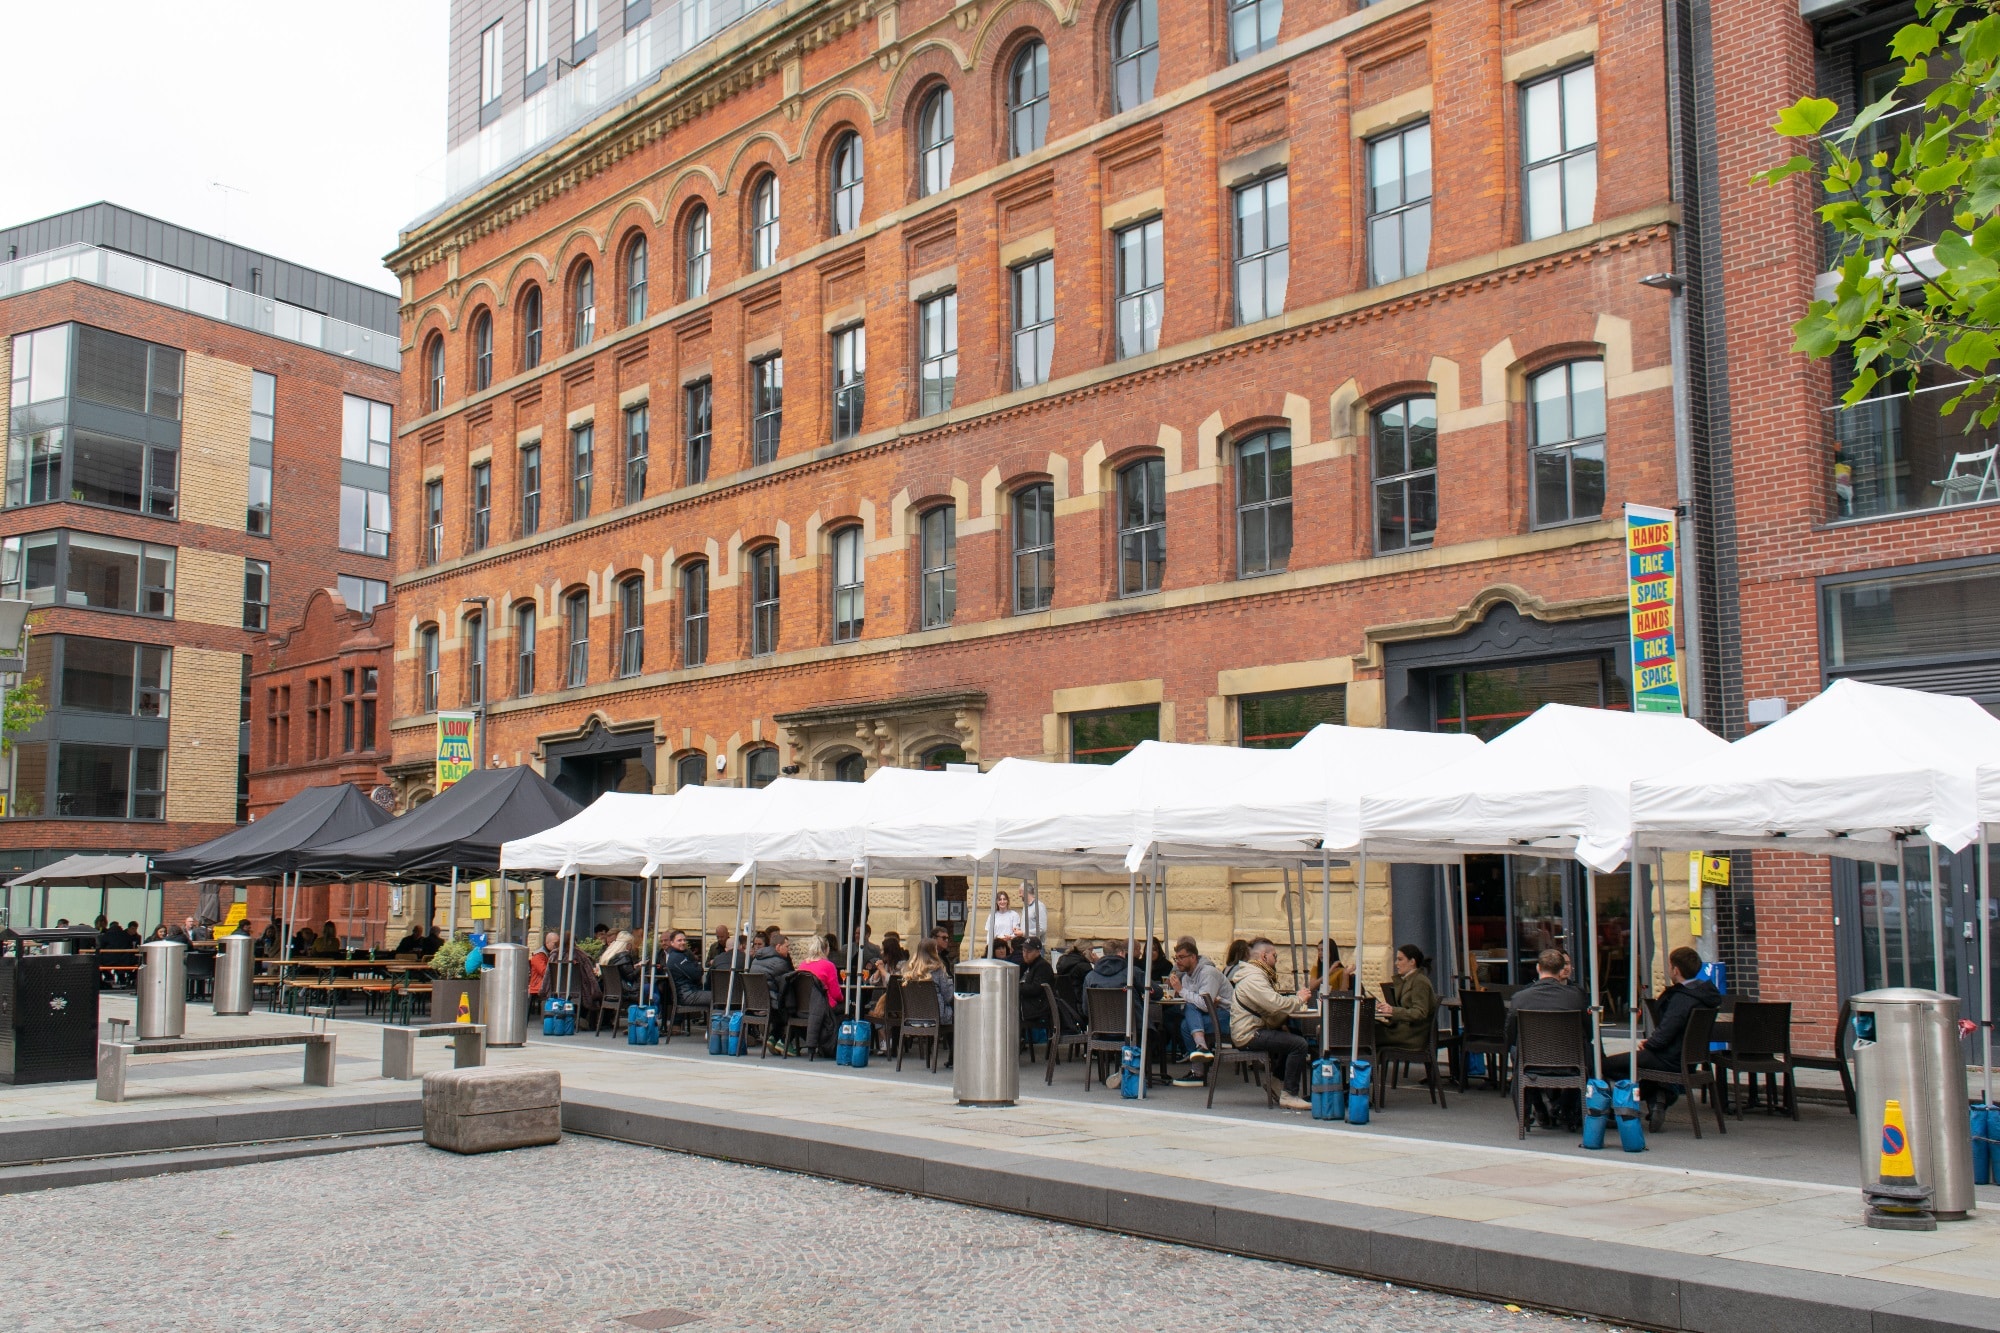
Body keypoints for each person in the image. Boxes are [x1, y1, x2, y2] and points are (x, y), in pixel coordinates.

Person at [1632, 947, 1722, 1130]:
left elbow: (1666, 1032)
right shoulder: (1705, 995)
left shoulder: (1681, 998)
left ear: (1676, 970)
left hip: (1669, 1058)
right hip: (1690, 1058)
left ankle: (1610, 1109)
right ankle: (1659, 1098)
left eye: (1669, 966)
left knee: (1610, 1065)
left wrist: (1650, 1044)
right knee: (1641, 1063)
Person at [1507, 948, 1590, 1129]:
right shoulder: (1575, 997)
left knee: (1517, 1056)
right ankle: (1566, 1108)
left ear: (1538, 968)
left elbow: (1510, 1035)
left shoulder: (1520, 999)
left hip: (1532, 1063)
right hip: (1570, 1064)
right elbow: (1588, 1031)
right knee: (1587, 1055)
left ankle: (1535, 1109)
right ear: (1561, 971)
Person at [1226, 938, 1313, 1110]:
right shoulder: (1254, 978)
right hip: (1249, 1034)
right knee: (1299, 1044)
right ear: (1264, 956)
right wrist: (1298, 999)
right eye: (1274, 955)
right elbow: (1274, 1004)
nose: (1277, 959)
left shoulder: (1256, 974)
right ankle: (1289, 1095)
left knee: (1296, 1036)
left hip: (1252, 1030)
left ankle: (1276, 1083)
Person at [1166, 936, 1229, 1085]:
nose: (1177, 962)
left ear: (1193, 957)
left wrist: (1181, 991)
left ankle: (1199, 1070)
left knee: (1187, 1024)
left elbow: (1205, 1005)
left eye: (1181, 957)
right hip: (1208, 1015)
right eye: (1176, 958)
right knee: (1185, 1022)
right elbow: (1193, 1004)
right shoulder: (1187, 978)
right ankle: (1202, 1051)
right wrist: (1181, 993)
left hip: (1228, 1015)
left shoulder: (1208, 973)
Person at [1373, 944, 1440, 1060]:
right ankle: (1368, 1071)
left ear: (1412, 961)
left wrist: (1393, 1011)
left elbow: (1420, 1012)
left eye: (1400, 959)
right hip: (1405, 1031)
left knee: (1366, 1032)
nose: (1396, 963)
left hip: (1413, 1035)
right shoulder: (1408, 980)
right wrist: (1387, 1010)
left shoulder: (1420, 981)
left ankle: (1364, 1073)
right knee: (1369, 1027)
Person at [902, 939, 954, 1027]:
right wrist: (950, 982)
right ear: (934, 952)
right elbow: (948, 997)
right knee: (955, 1013)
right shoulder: (937, 971)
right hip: (936, 1017)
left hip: (913, 1018)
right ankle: (951, 1041)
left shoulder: (909, 973)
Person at [1017, 937, 1057, 1033]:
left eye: (1029, 951)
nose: (1025, 954)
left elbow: (1035, 989)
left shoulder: (1042, 966)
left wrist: (1015, 987)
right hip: (1026, 1005)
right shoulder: (1025, 965)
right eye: (1024, 951)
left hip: (1037, 1009)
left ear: (1038, 952)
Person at [529, 930, 558, 1003]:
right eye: (555, 943)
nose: (557, 945)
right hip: (539, 985)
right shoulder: (539, 955)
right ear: (547, 942)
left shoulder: (554, 953)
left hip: (548, 983)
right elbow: (544, 972)